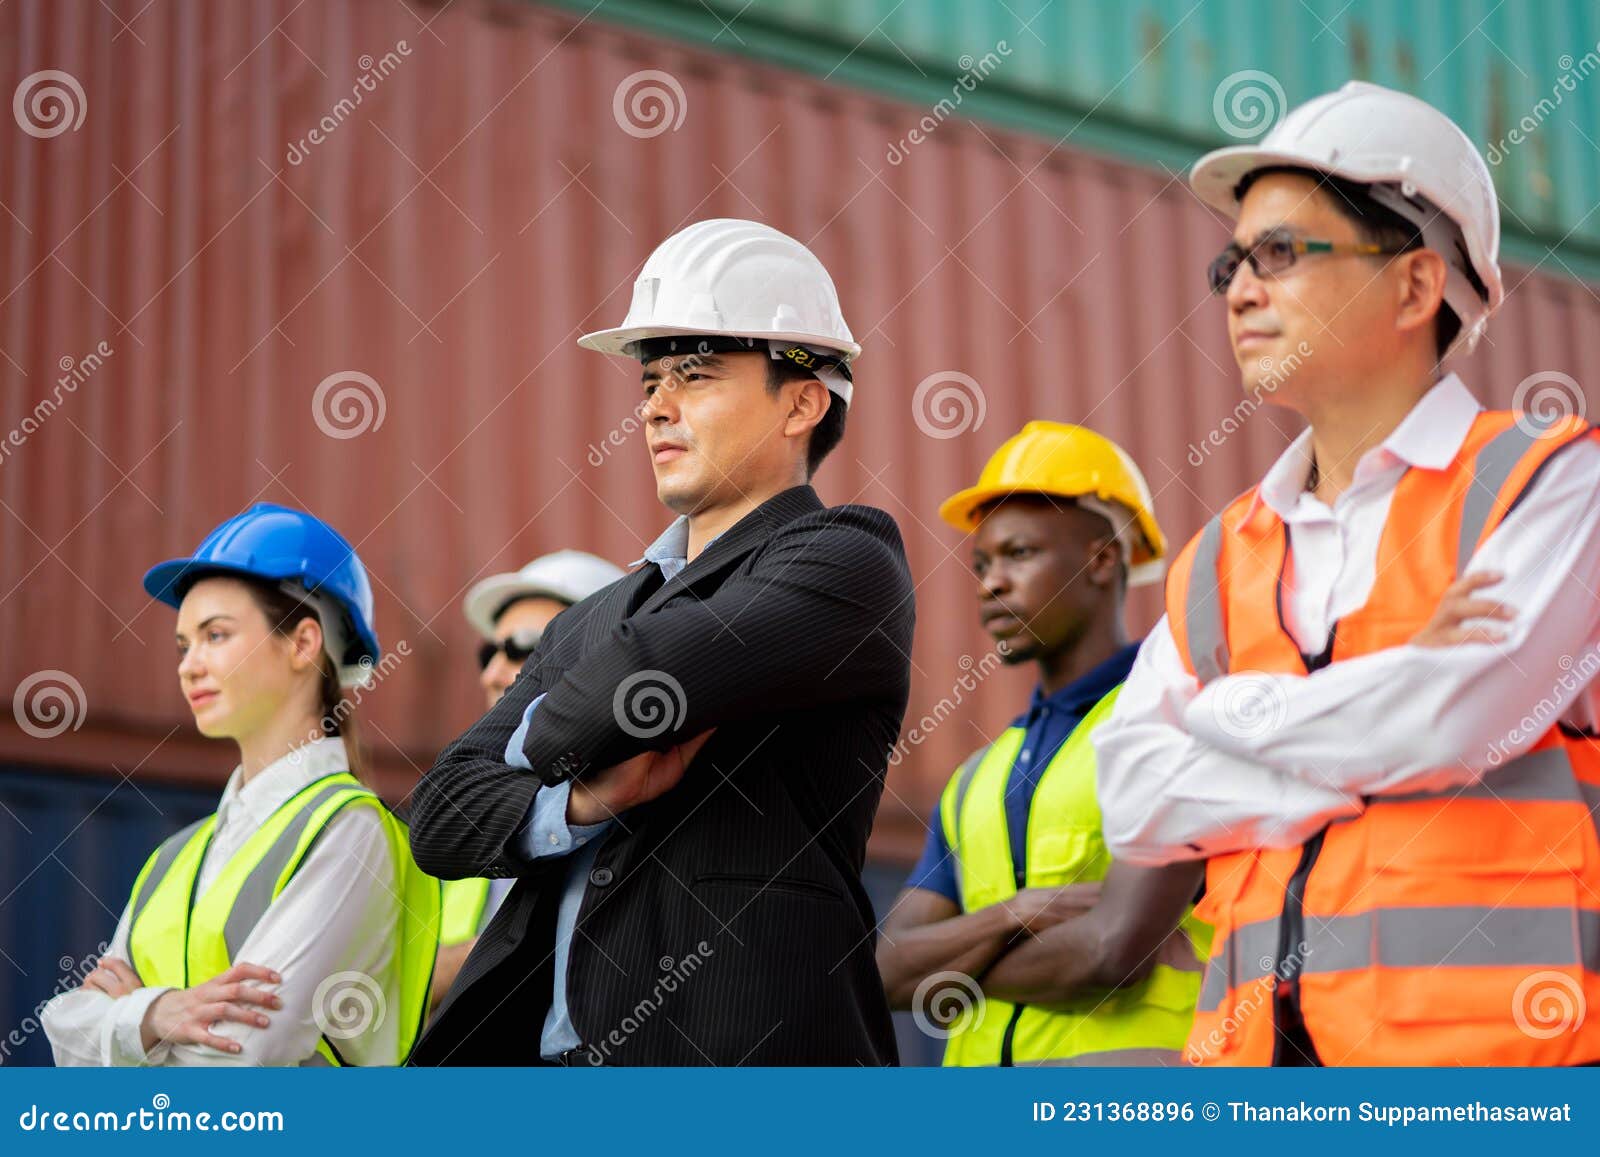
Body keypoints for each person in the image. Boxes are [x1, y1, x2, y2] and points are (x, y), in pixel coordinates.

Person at [1093, 81, 1600, 1066]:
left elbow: (1455, 721)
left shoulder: (1553, 482)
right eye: (1231, 261)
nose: (1239, 289)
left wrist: (1220, 711)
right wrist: (1366, 748)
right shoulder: (1217, 558)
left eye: (1280, 253)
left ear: (1413, 287)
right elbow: (1130, 794)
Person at [405, 218, 916, 1066]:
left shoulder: (847, 559)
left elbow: (635, 679)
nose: (654, 407)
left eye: (696, 375)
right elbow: (438, 814)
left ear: (802, 400)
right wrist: (578, 801)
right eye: (649, 382)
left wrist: (532, 738)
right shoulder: (594, 613)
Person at [40, 503, 439, 1066]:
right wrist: (159, 1014)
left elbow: (243, 1059)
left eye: (216, 636)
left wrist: (126, 1027)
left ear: (303, 643)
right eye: (184, 645)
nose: (188, 665)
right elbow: (64, 1041)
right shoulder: (173, 858)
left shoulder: (351, 832)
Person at [877, 422, 1210, 1066]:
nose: (989, 582)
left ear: (1102, 558)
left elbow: (1110, 955)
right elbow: (888, 972)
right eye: (981, 564)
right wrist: (1016, 914)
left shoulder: (1175, 723)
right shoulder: (976, 778)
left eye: (1019, 554)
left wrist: (950, 966)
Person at [432, 549, 625, 1008]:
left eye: (524, 649)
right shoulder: (461, 811)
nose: (493, 673)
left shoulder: (635, 817)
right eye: (488, 652)